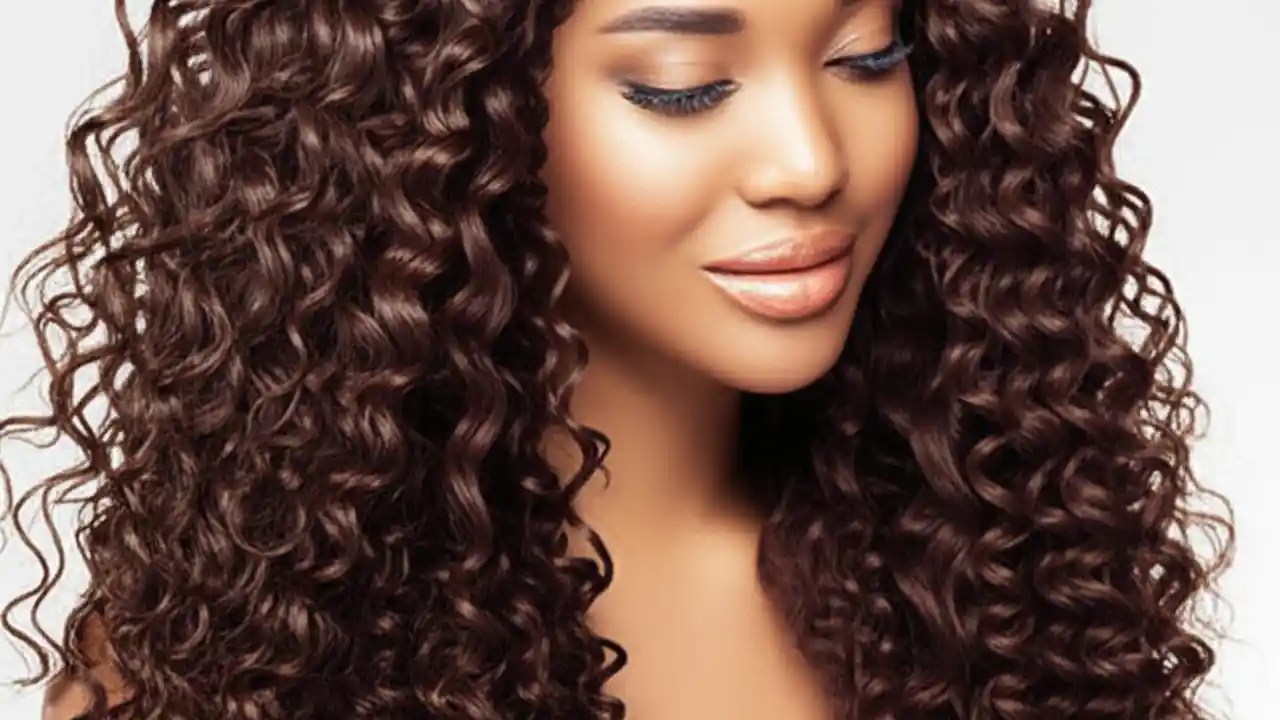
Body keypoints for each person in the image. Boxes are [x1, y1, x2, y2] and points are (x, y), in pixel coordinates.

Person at [3, 0, 1235, 718]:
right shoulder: (224, 664)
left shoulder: (1008, 581)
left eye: (865, 58)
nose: (809, 159)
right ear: (443, 119)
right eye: (681, 87)